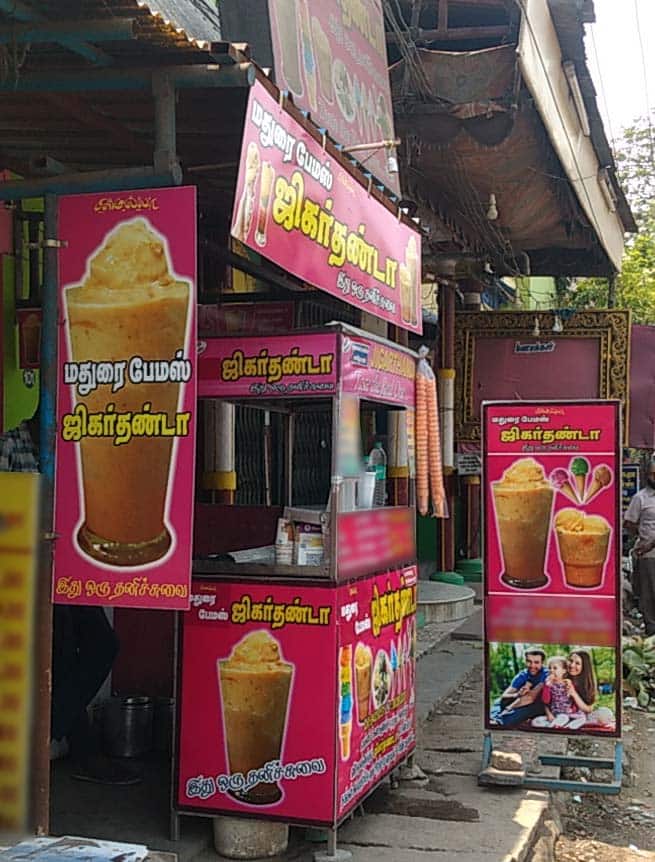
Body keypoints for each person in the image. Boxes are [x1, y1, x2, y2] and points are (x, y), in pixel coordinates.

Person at [0, 406, 138, 784]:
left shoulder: (73, 449)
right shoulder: (10, 443)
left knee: (100, 643)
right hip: (27, 570)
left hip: (68, 568)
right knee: (61, 652)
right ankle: (78, 749)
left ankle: (50, 734)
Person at [624, 459, 655, 636]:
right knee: (649, 595)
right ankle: (651, 632)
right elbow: (629, 522)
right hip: (649, 556)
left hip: (649, 548)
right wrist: (644, 536)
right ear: (648, 475)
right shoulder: (640, 498)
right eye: (653, 474)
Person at [490, 647, 547, 728]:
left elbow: (530, 698)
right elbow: (505, 695)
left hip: (538, 704)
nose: (532, 665)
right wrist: (517, 694)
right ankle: (492, 718)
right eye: (529, 661)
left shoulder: (546, 674)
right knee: (499, 701)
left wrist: (509, 708)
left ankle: (499, 721)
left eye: (536, 662)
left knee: (526, 708)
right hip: (521, 699)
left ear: (542, 663)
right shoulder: (523, 675)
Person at [530, 656, 586, 730]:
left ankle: (567, 726)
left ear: (564, 670)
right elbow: (545, 700)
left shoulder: (568, 683)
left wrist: (573, 709)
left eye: (555, 668)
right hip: (556, 714)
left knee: (582, 718)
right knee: (535, 721)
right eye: (549, 668)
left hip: (569, 713)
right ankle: (556, 726)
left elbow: (573, 699)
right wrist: (547, 686)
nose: (551, 670)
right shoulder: (549, 684)